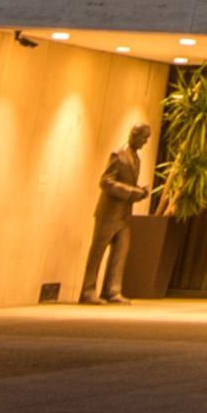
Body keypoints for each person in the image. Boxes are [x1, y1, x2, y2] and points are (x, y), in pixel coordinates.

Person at [80, 125, 147, 303]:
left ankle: (112, 290)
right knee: (98, 252)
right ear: (135, 136)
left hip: (124, 214)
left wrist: (139, 192)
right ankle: (88, 290)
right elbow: (106, 181)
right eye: (143, 138)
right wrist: (131, 192)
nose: (145, 142)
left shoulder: (136, 159)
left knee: (120, 252)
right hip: (109, 213)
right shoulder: (119, 155)